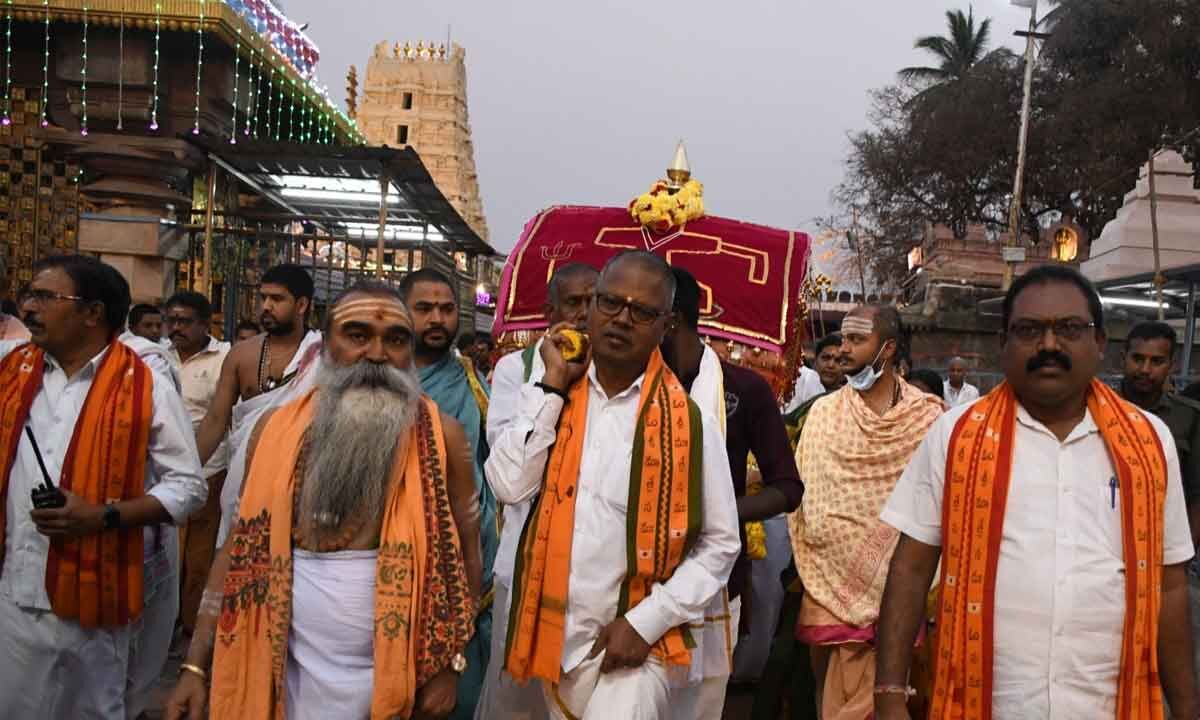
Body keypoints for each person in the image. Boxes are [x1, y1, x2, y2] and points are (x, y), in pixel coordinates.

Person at [876, 265, 1197, 719]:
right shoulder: (956, 435)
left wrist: (1186, 708)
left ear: (1099, 342)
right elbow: (911, 567)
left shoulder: (1149, 441)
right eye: (1029, 330)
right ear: (1003, 343)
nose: (1049, 345)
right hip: (986, 703)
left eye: (1069, 329)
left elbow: (1171, 584)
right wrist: (889, 694)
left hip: (1109, 704)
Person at [164, 281, 483, 720]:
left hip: (398, 680)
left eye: (395, 340)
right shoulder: (273, 431)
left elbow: (467, 557)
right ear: (325, 345)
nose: (377, 354)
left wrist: (452, 663)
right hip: (284, 677)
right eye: (357, 335)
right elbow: (236, 549)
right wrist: (195, 666)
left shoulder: (443, 436)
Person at [487, 251, 741, 720]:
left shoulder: (691, 426)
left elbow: (721, 543)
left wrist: (647, 622)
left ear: (666, 325)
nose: (621, 319)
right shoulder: (550, 395)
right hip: (546, 636)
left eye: (641, 311)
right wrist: (551, 386)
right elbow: (507, 485)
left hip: (634, 648)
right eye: (610, 303)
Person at [0, 255, 205, 718]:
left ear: (92, 313)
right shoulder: (12, 371)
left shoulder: (145, 384)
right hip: (13, 588)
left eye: (45, 297)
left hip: (95, 598)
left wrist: (102, 516)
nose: (28, 307)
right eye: (29, 295)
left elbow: (189, 486)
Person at [660, 266, 804, 719]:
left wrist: (713, 514)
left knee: (698, 707)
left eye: (639, 313)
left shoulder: (743, 388)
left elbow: (787, 488)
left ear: (670, 320)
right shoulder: (631, 386)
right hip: (635, 578)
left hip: (717, 578)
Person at [788, 305, 943, 720]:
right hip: (829, 581)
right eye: (843, 339)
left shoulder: (927, 417)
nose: (843, 349)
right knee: (833, 695)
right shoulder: (823, 413)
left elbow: (937, 501)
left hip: (903, 585)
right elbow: (810, 499)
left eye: (857, 340)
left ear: (887, 348)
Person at [480, 261, 598, 720]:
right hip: (524, 560)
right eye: (574, 303)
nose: (585, 313)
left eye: (595, 301)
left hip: (589, 568)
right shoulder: (516, 369)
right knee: (517, 699)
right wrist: (553, 381)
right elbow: (511, 477)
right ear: (550, 313)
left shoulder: (614, 372)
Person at [399, 267, 497, 720]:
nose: (437, 318)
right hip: (394, 554)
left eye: (446, 308)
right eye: (424, 308)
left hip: (463, 552)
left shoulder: (472, 382)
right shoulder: (376, 381)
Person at [194, 264, 323, 545]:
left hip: (303, 484)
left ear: (302, 305)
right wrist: (187, 471)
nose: (266, 306)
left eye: (277, 299)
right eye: (263, 297)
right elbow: (215, 420)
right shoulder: (241, 355)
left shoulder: (325, 356)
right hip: (244, 480)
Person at [1118, 320, 1200, 692]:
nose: (1145, 369)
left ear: (1171, 365)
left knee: (1159, 649)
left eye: (1157, 361)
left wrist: (1179, 559)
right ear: (1123, 357)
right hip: (1106, 546)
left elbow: (1195, 493)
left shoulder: (1188, 417)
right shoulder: (1094, 407)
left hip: (1160, 555)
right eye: (1138, 358)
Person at [163, 291, 233, 642]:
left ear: (205, 325)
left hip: (209, 471)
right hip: (162, 473)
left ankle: (193, 629)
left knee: (199, 557)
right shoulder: (159, 356)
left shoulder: (224, 359)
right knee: (167, 554)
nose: (176, 328)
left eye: (185, 321)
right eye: (171, 320)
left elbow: (222, 418)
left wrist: (199, 463)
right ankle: (166, 622)